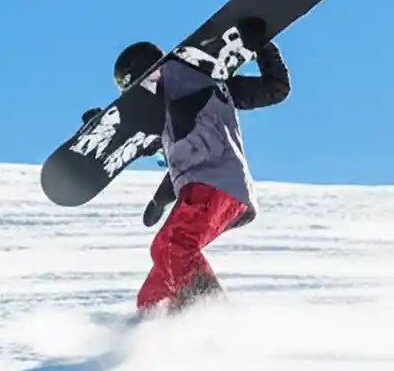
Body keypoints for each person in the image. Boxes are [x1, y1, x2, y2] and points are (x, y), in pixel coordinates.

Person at [100, 16, 291, 317]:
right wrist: (159, 200)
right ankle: (159, 334)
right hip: (207, 192)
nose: (130, 95)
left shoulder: (203, 82)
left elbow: (275, 88)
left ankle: (215, 316)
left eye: (130, 85)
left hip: (217, 185)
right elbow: (184, 158)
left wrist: (262, 46)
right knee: (155, 289)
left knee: (172, 246)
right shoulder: (162, 121)